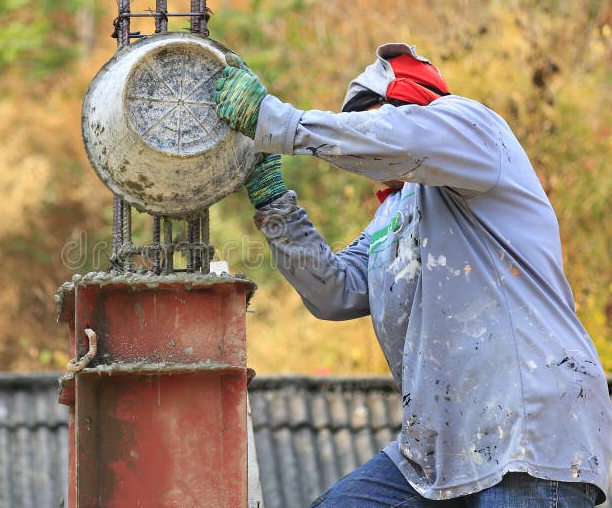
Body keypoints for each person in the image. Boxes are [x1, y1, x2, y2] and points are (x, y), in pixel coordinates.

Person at [213, 43, 612, 507]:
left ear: (411, 104)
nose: (367, 140)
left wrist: (276, 122)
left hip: (530, 433)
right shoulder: (394, 218)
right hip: (440, 452)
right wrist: (273, 200)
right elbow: (334, 292)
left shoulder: (473, 129)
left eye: (375, 118)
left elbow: (401, 139)